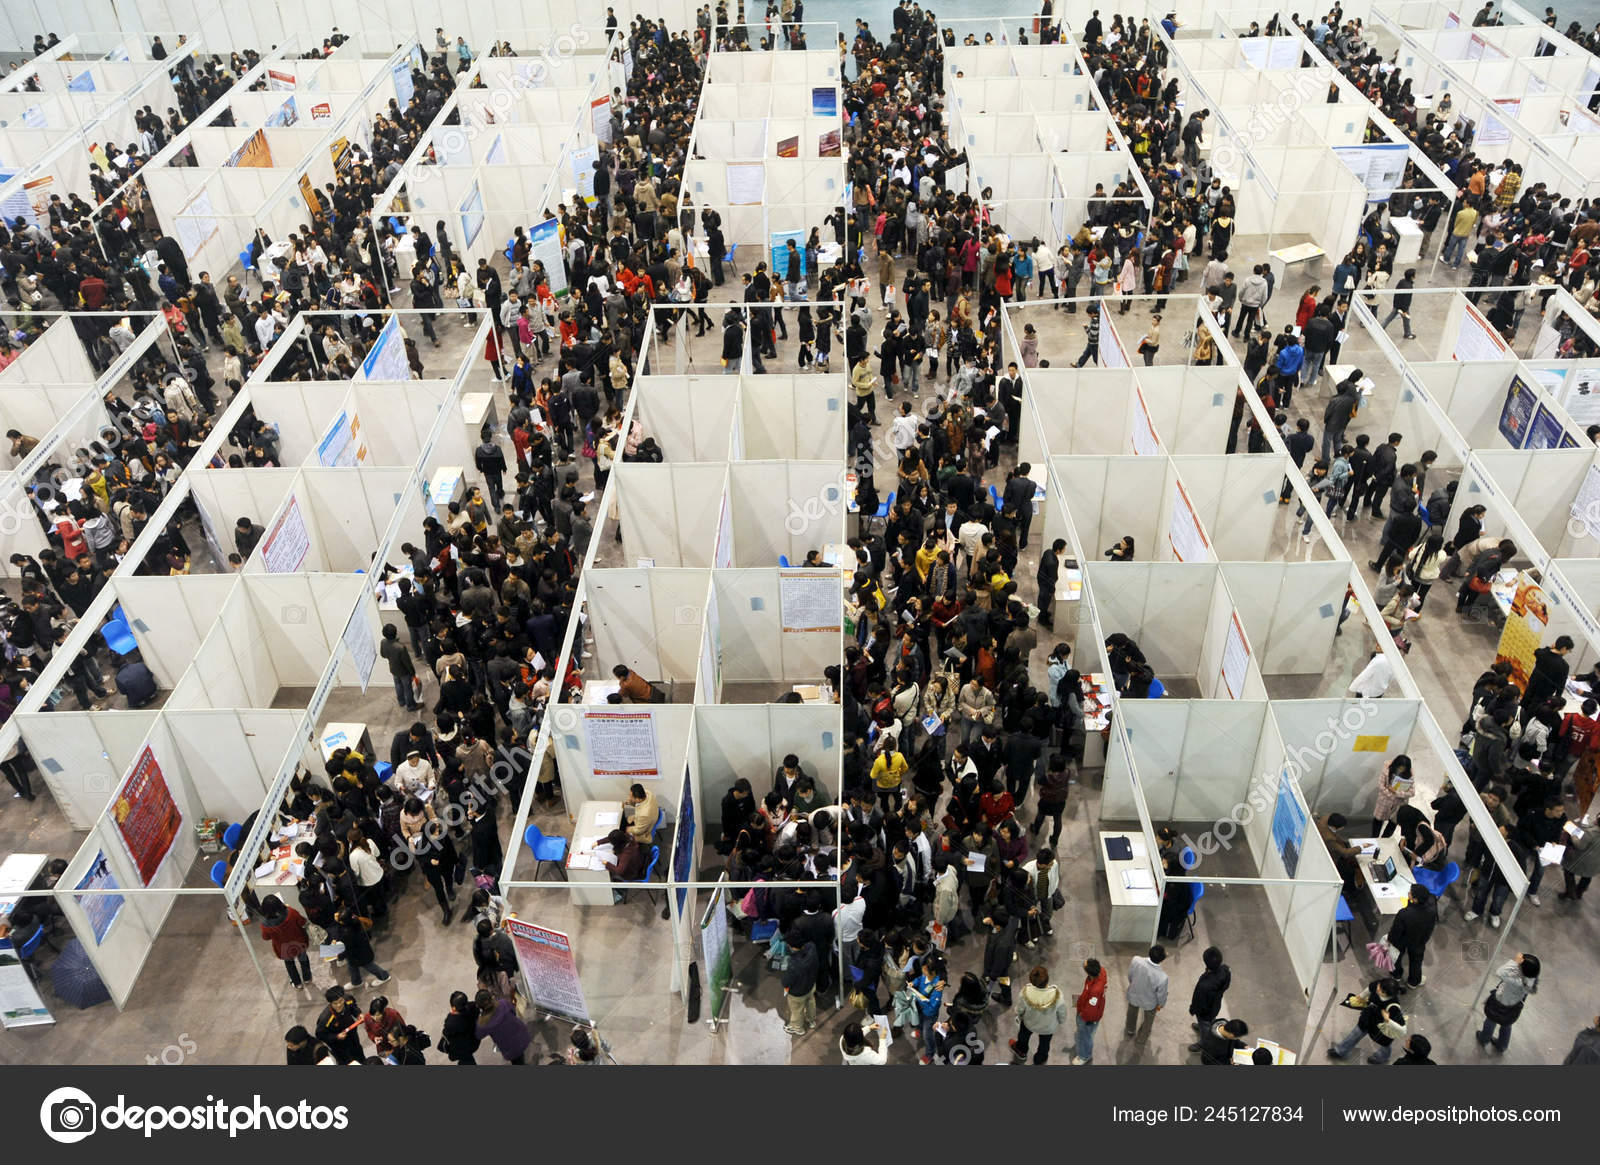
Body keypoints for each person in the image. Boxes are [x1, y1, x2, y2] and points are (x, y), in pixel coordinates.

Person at [1326, 976, 1406, 1063]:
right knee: (1355, 1033)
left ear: (1388, 995)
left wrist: (1388, 1020)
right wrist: (1361, 996)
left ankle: (1382, 1057)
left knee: (1384, 1043)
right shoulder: (1379, 985)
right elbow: (1370, 988)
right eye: (1379, 986)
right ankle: (1340, 1051)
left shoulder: (1394, 1007)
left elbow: (1402, 1029)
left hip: (1380, 1027)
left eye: (1382, 991)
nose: (1378, 989)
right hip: (1368, 1017)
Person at [1477, 952, 1539, 1054]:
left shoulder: (1515, 980)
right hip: (1514, 1008)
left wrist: (1515, 962)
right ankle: (1502, 1045)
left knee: (1491, 1020)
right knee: (1506, 1025)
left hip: (1499, 1004)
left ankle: (1484, 1039)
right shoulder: (1530, 981)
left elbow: (1500, 972)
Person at [1387, 883, 1436, 990]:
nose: (1408, 893)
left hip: (1402, 940)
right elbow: (1430, 928)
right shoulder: (1431, 911)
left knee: (1396, 957)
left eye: (1410, 893)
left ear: (1415, 899)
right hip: (1419, 940)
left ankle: (1396, 975)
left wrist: (1390, 940)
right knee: (1416, 961)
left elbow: (1396, 931)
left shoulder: (1404, 913)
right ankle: (1414, 981)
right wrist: (1423, 941)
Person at [258, 894, 312, 991]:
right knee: (304, 960)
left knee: (290, 965)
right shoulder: (291, 913)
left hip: (284, 948)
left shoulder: (266, 925)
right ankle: (307, 978)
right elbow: (303, 921)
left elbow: (265, 937)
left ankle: (297, 983)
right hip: (299, 942)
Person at [1124, 944, 1168, 1044]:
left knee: (1132, 1011)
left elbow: (1130, 975)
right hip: (1149, 1003)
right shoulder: (1162, 977)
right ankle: (1142, 1038)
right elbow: (1161, 994)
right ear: (1162, 959)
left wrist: (1133, 985)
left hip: (1134, 995)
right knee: (1149, 1019)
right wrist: (1161, 1004)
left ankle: (1130, 1029)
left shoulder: (1136, 960)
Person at [1188, 945, 1231, 1032]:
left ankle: (1204, 1042)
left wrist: (1192, 1010)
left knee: (1205, 1028)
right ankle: (1204, 1027)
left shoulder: (1204, 985)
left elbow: (1198, 1001)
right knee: (1210, 1021)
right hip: (1215, 1006)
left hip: (1205, 1013)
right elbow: (1226, 986)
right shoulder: (1226, 970)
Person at [1073, 957, 1107, 1065]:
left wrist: (1082, 1016)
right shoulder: (1101, 971)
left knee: (1085, 1036)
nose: (1084, 963)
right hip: (1087, 1006)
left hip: (1088, 1016)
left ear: (1090, 973)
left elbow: (1090, 1012)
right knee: (1086, 1032)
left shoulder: (1095, 991)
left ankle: (1084, 1056)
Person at [441, 990, 481, 1065]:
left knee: (466, 1061)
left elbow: (446, 1032)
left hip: (463, 1049)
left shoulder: (452, 1023)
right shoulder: (473, 1008)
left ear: (454, 1008)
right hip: (474, 1040)